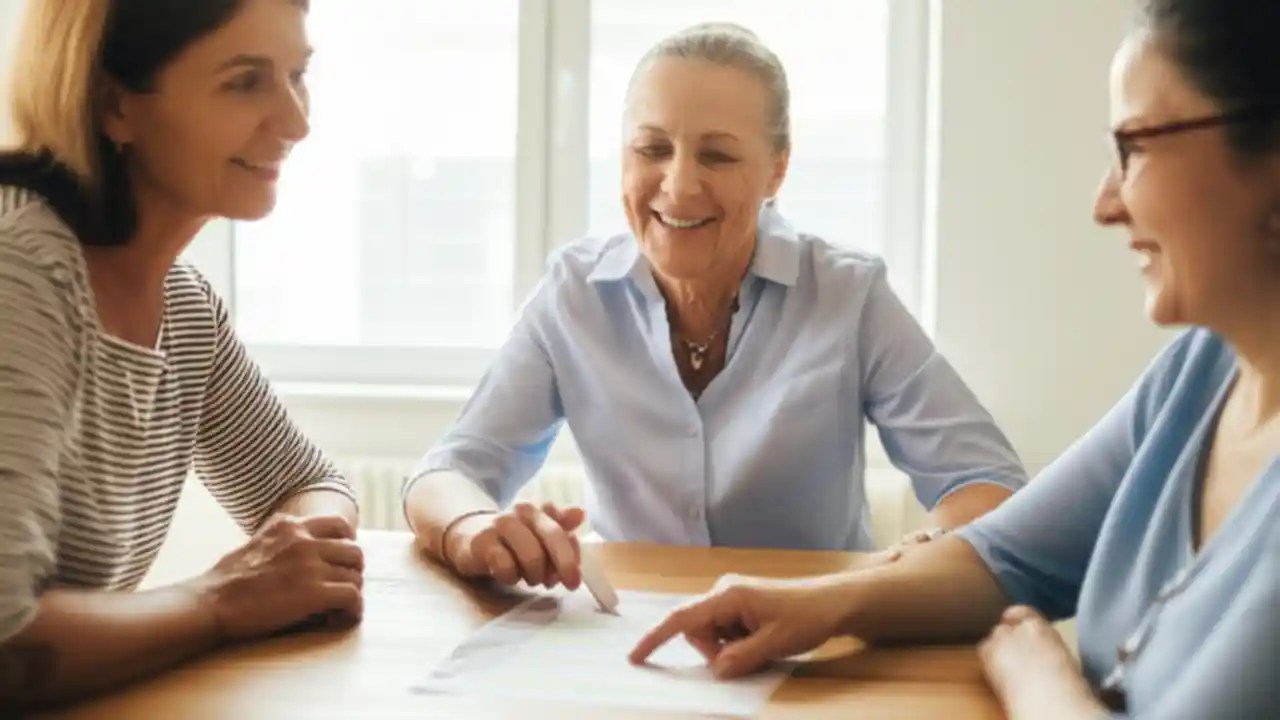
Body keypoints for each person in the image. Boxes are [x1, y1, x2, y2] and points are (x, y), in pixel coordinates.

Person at [628, 1, 1280, 718]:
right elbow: (1003, 557)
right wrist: (815, 604)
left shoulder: (846, 289)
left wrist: (1040, 677)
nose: (1105, 202)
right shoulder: (1197, 375)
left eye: (1135, 147)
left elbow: (989, 508)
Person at [403, 22, 1026, 593]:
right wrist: (472, 526)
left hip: (813, 641)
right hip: (629, 639)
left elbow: (987, 482)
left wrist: (910, 563)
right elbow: (445, 473)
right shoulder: (574, 293)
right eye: (652, 149)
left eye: (718, 156)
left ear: (777, 170)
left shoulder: (847, 294)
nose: (678, 184)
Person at [0, 0, 365, 712]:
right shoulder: (21, 279)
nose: (296, 123)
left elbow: (308, 481)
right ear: (114, 105)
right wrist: (225, 600)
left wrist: (294, 560)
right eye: (244, 82)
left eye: (298, 76)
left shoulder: (185, 303)